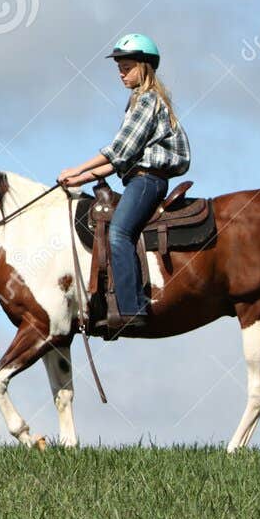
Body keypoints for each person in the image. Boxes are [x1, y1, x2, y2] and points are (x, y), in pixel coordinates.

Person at [57, 33, 191, 328]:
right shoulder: (137, 103)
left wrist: (76, 170)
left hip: (147, 181)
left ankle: (132, 309)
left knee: (119, 233)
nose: (121, 71)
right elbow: (118, 160)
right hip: (137, 177)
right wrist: (79, 177)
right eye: (119, 66)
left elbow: (118, 152)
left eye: (127, 66)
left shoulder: (147, 102)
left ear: (144, 67)